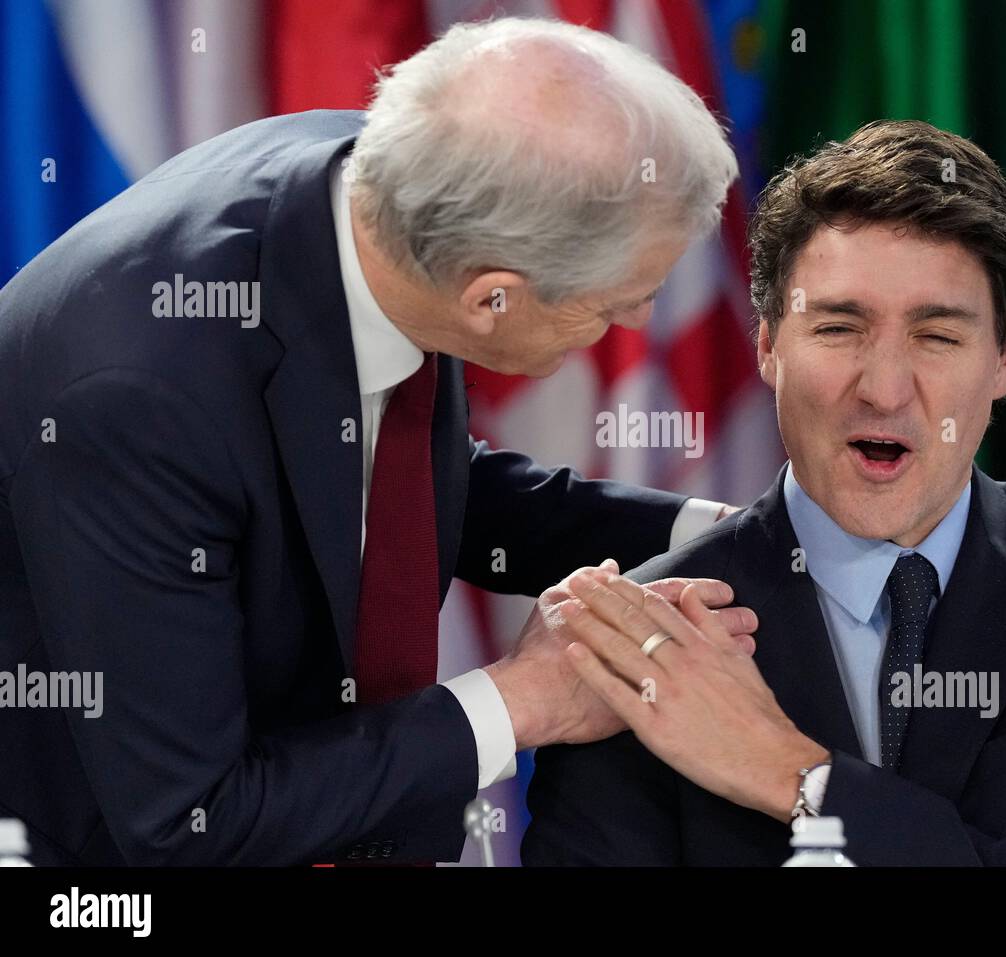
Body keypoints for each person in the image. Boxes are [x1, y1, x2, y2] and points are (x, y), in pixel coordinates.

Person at [0, 17, 757, 865]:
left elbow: (396, 485)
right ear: (491, 299)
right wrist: (523, 700)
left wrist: (736, 533)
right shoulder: (137, 403)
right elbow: (192, 822)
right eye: (616, 301)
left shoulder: (401, 197)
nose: (641, 319)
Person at [522, 119, 1006, 866]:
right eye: (839, 328)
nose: (884, 390)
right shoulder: (649, 631)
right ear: (766, 344)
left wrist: (789, 771)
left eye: (937, 336)